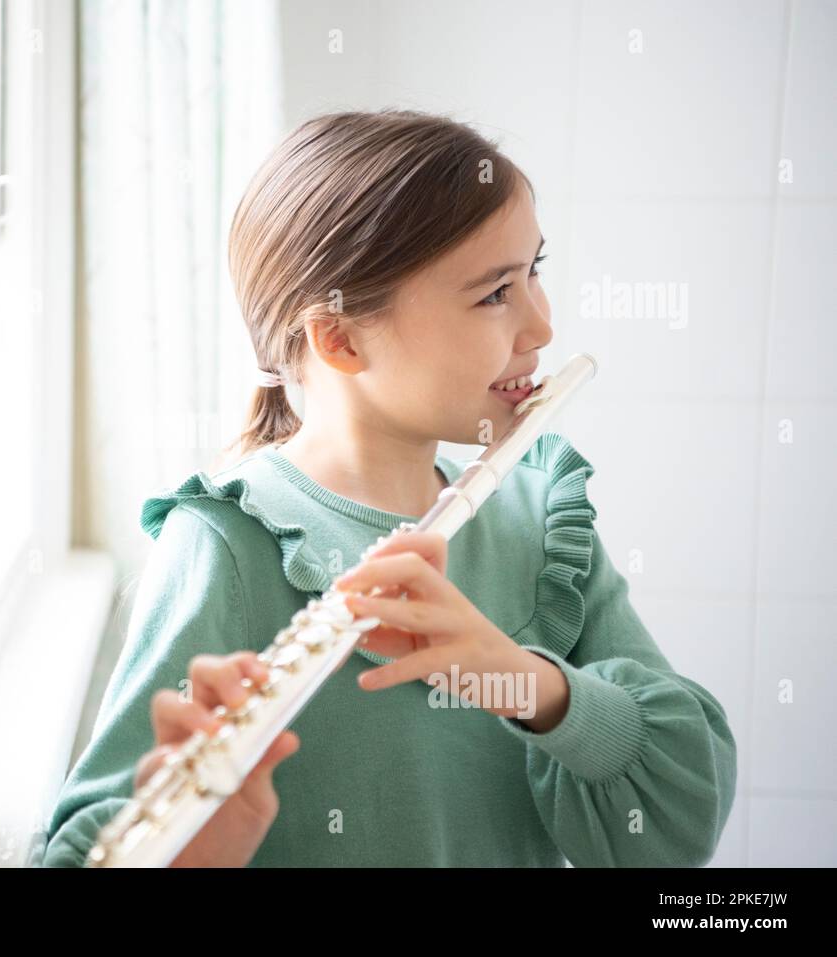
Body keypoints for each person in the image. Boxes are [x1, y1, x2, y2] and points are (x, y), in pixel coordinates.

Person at [39, 109, 737, 867]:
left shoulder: (542, 519)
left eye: (533, 270)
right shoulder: (227, 540)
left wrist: (528, 683)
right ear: (338, 338)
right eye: (495, 293)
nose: (540, 325)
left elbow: (681, 823)